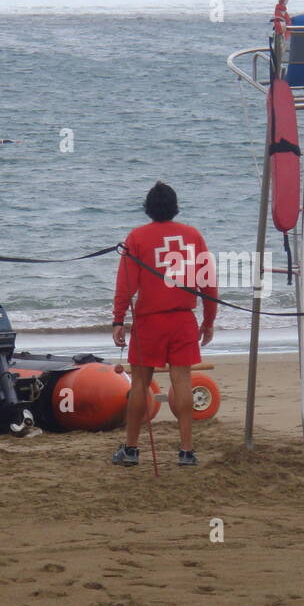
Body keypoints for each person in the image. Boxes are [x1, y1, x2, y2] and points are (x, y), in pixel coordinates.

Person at [111, 181, 216, 467]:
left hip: (149, 322)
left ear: (148, 208)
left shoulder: (137, 237)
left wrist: (118, 320)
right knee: (182, 381)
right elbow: (208, 282)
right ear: (175, 206)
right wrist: (208, 320)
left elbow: (126, 285)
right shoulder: (193, 236)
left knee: (140, 384)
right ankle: (186, 451)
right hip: (182, 319)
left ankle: (131, 449)